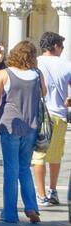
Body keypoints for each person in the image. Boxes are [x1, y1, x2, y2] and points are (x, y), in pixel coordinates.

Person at [0, 39, 45, 224]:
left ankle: (10, 213)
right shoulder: (36, 74)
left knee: (10, 170)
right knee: (24, 168)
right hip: (30, 127)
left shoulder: (4, 74)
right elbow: (44, 93)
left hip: (9, 126)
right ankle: (32, 207)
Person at [33, 31, 69, 206]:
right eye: (61, 46)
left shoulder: (35, 63)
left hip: (39, 114)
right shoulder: (66, 65)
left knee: (39, 154)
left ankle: (41, 195)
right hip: (59, 114)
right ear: (55, 46)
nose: (62, 50)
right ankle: (52, 190)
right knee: (55, 155)